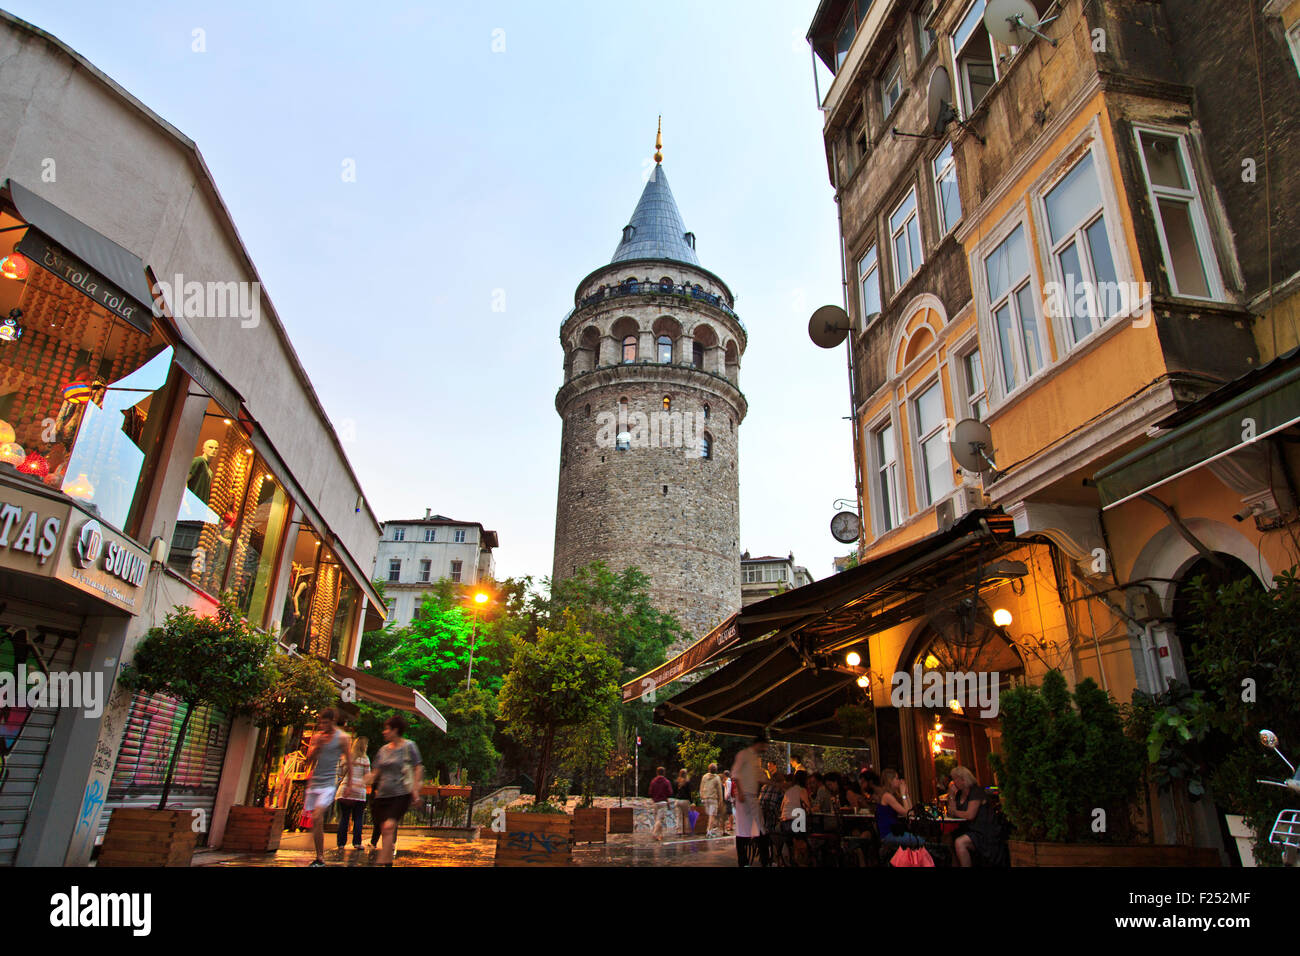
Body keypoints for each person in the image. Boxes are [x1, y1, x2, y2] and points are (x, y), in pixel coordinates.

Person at [365, 714, 422, 867]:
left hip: (401, 794)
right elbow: (376, 772)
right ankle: (387, 862)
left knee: (389, 826)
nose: (384, 732)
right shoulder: (383, 750)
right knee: (385, 830)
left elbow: (418, 767)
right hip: (383, 795)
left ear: (395, 730)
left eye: (387, 729)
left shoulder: (409, 746)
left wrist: (415, 790)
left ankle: (382, 862)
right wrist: (362, 781)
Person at [303, 709, 351, 867]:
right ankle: (318, 853)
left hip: (329, 784)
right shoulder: (318, 738)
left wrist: (349, 783)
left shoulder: (342, 738)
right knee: (316, 821)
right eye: (321, 722)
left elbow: (349, 762)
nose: (323, 725)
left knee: (317, 816)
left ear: (333, 721)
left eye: (326, 722)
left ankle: (320, 857)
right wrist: (316, 748)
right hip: (315, 783)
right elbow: (308, 761)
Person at [948, 766, 999, 867]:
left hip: (982, 831)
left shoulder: (976, 792)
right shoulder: (959, 794)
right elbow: (951, 812)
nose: (953, 782)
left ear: (963, 779)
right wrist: (952, 795)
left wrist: (955, 812)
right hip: (967, 828)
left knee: (960, 842)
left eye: (955, 779)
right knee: (949, 839)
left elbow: (970, 815)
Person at [731, 737, 769, 867]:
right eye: (764, 745)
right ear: (759, 744)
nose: (765, 749)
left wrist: (775, 783)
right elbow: (735, 774)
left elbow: (759, 776)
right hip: (744, 796)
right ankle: (743, 862)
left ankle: (764, 860)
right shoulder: (743, 754)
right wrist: (740, 792)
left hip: (752, 796)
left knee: (760, 828)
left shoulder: (756, 759)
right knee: (743, 831)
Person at [335, 735, 369, 849]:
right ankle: (357, 843)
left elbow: (339, 772)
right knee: (358, 817)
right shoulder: (365, 759)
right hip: (359, 791)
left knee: (344, 817)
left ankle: (341, 843)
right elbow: (367, 775)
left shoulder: (347, 757)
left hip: (345, 789)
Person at [874, 769, 910, 839]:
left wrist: (906, 794)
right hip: (889, 834)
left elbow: (911, 812)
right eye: (897, 778)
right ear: (890, 781)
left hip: (896, 832)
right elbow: (906, 813)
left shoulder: (892, 795)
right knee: (920, 841)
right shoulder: (887, 796)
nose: (899, 781)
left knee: (919, 839)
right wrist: (903, 794)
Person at [699, 762, 725, 837]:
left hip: (705, 798)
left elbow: (701, 787)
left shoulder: (704, 777)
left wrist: (701, 796)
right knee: (712, 815)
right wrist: (721, 800)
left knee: (709, 815)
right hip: (713, 798)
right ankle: (709, 831)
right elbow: (719, 790)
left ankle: (709, 829)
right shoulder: (717, 778)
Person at [649, 766, 673, 841]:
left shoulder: (653, 781)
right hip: (663, 802)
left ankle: (660, 835)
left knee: (657, 819)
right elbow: (670, 792)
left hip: (655, 802)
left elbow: (650, 792)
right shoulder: (666, 782)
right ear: (664, 773)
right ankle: (655, 833)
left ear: (657, 773)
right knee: (660, 820)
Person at [674, 769, 693, 836]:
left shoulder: (677, 782)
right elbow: (689, 793)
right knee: (686, 816)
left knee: (678, 816)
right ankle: (687, 831)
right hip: (685, 800)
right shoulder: (687, 782)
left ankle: (679, 831)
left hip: (678, 800)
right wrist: (691, 801)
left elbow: (675, 791)